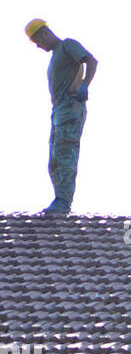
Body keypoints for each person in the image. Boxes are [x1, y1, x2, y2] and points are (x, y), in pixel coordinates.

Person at [26, 19, 98, 216]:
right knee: (55, 157)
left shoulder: (67, 45)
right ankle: (59, 198)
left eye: (37, 41)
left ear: (45, 34)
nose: (38, 46)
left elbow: (91, 60)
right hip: (59, 110)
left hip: (70, 107)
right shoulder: (56, 55)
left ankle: (63, 201)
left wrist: (85, 84)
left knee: (65, 153)